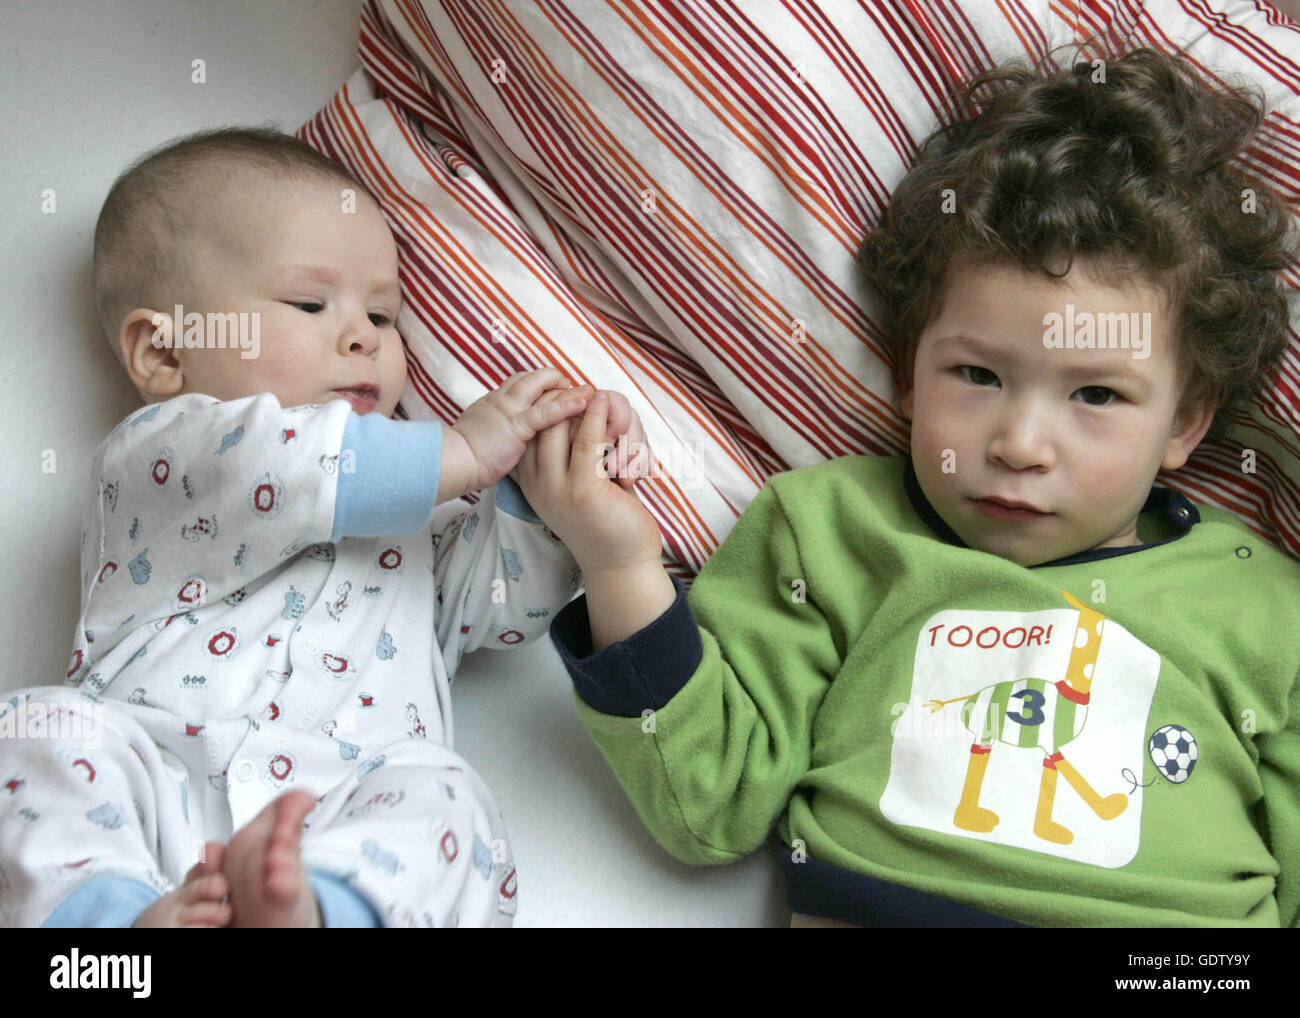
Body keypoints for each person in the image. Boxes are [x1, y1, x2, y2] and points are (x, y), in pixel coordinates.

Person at [530, 46, 1300, 926]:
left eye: (1095, 395)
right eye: (977, 375)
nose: (1019, 445)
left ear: (1186, 422)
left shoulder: (1268, 608)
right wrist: (620, 565)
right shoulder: (828, 532)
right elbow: (709, 802)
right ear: (908, 376)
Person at [0, 127, 645, 928]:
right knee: (41, 731)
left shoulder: (419, 522)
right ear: (164, 353)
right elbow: (287, 463)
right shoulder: (159, 457)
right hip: (147, 802)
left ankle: (326, 914)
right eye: (309, 305)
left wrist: (555, 496)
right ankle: (108, 924)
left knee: (447, 795)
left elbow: (501, 604)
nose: (363, 336)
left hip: (338, 818)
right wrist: (462, 451)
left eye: (383, 314)